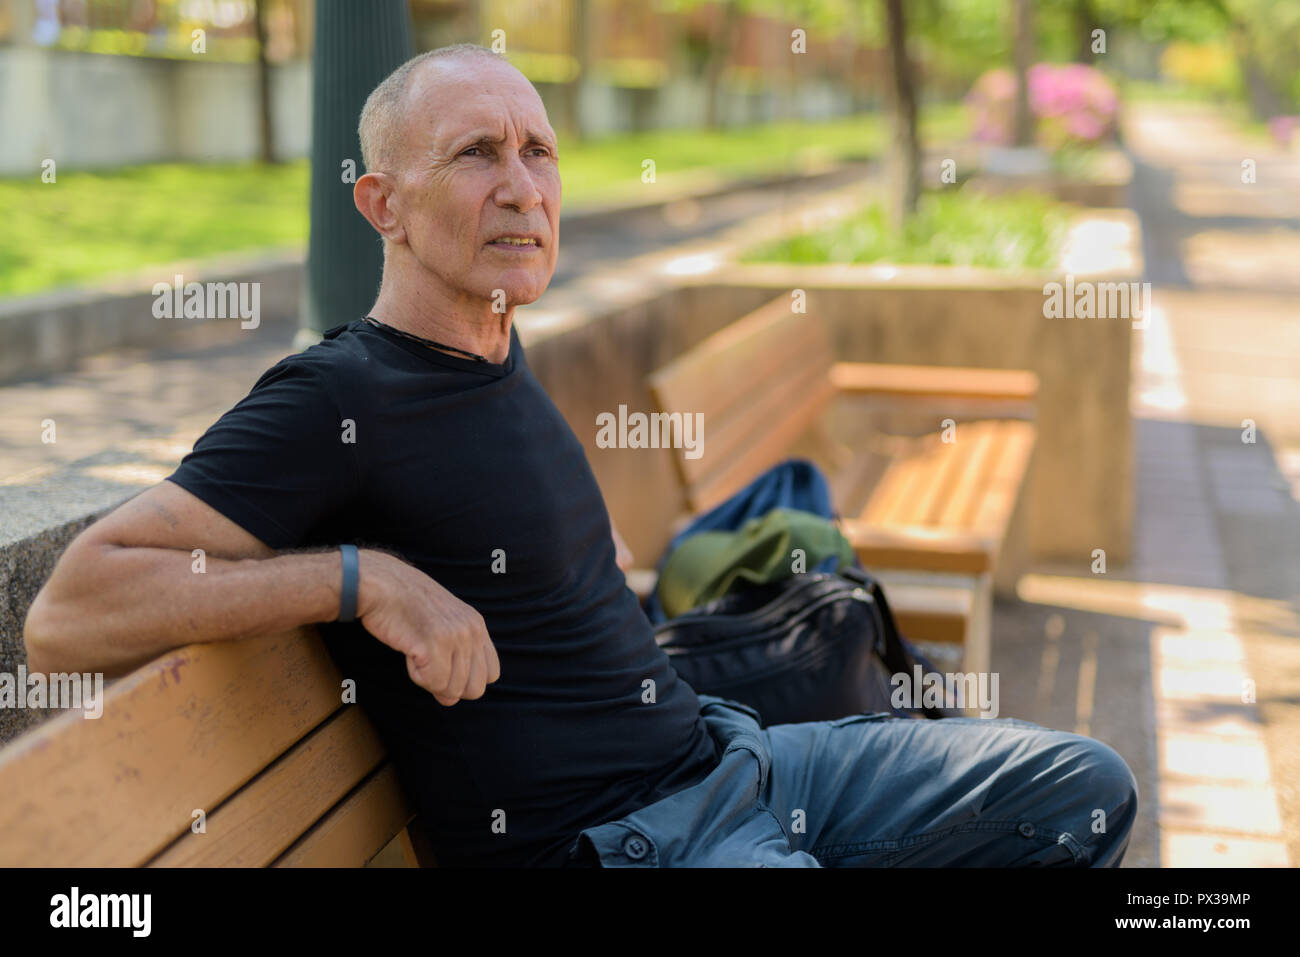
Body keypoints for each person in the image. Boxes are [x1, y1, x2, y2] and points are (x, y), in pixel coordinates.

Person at [23, 44, 1137, 868]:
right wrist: (361, 580)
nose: (521, 185)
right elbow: (69, 611)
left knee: (1083, 790)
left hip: (730, 758)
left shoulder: (502, 347)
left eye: (538, 151)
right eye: (474, 156)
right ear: (382, 205)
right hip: (621, 843)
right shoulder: (339, 394)